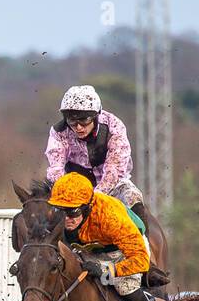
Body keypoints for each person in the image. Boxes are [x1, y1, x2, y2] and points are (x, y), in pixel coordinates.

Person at [48, 172, 169, 301]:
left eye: (72, 212)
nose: (66, 219)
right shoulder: (66, 217)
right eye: (61, 210)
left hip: (126, 251)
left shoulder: (111, 217)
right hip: (92, 248)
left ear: (87, 208)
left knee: (124, 286)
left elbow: (140, 259)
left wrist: (108, 271)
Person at [45, 84, 152, 225]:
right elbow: (55, 169)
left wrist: (94, 198)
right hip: (76, 186)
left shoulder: (114, 127)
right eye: (72, 121)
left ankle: (144, 243)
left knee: (134, 198)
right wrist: (66, 193)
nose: (78, 127)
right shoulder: (58, 132)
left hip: (113, 184)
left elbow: (114, 169)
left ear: (96, 116)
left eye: (84, 120)